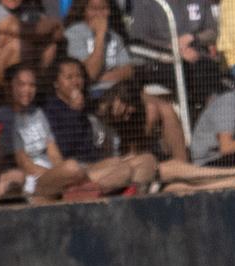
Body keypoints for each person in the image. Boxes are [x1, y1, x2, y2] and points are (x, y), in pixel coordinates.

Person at [44, 58, 161, 192]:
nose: (76, 82)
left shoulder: (86, 103)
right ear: (56, 83)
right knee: (121, 168)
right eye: (69, 77)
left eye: (79, 76)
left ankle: (131, 200)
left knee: (147, 160)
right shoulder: (50, 110)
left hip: (96, 165)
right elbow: (65, 149)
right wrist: (74, 113)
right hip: (74, 172)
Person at [0, 63, 93, 200]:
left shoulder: (37, 112)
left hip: (56, 174)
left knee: (119, 165)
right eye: (21, 85)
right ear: (9, 87)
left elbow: (53, 152)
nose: (28, 90)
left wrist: (61, 172)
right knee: (73, 167)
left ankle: (76, 187)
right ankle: (77, 187)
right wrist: (62, 175)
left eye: (32, 85)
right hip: (34, 180)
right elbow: (25, 164)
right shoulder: (4, 116)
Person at [0, 0, 65, 86]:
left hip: (27, 61)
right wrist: (53, 24)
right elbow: (22, 29)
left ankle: (36, 86)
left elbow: (57, 34)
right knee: (18, 46)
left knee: (50, 45)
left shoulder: (29, 12)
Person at [65, 0, 138, 97]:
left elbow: (128, 71)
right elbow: (90, 73)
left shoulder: (115, 36)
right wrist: (100, 35)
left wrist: (101, 79)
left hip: (119, 90)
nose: (99, 14)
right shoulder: (74, 33)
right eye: (94, 9)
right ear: (84, 10)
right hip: (91, 94)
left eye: (104, 9)